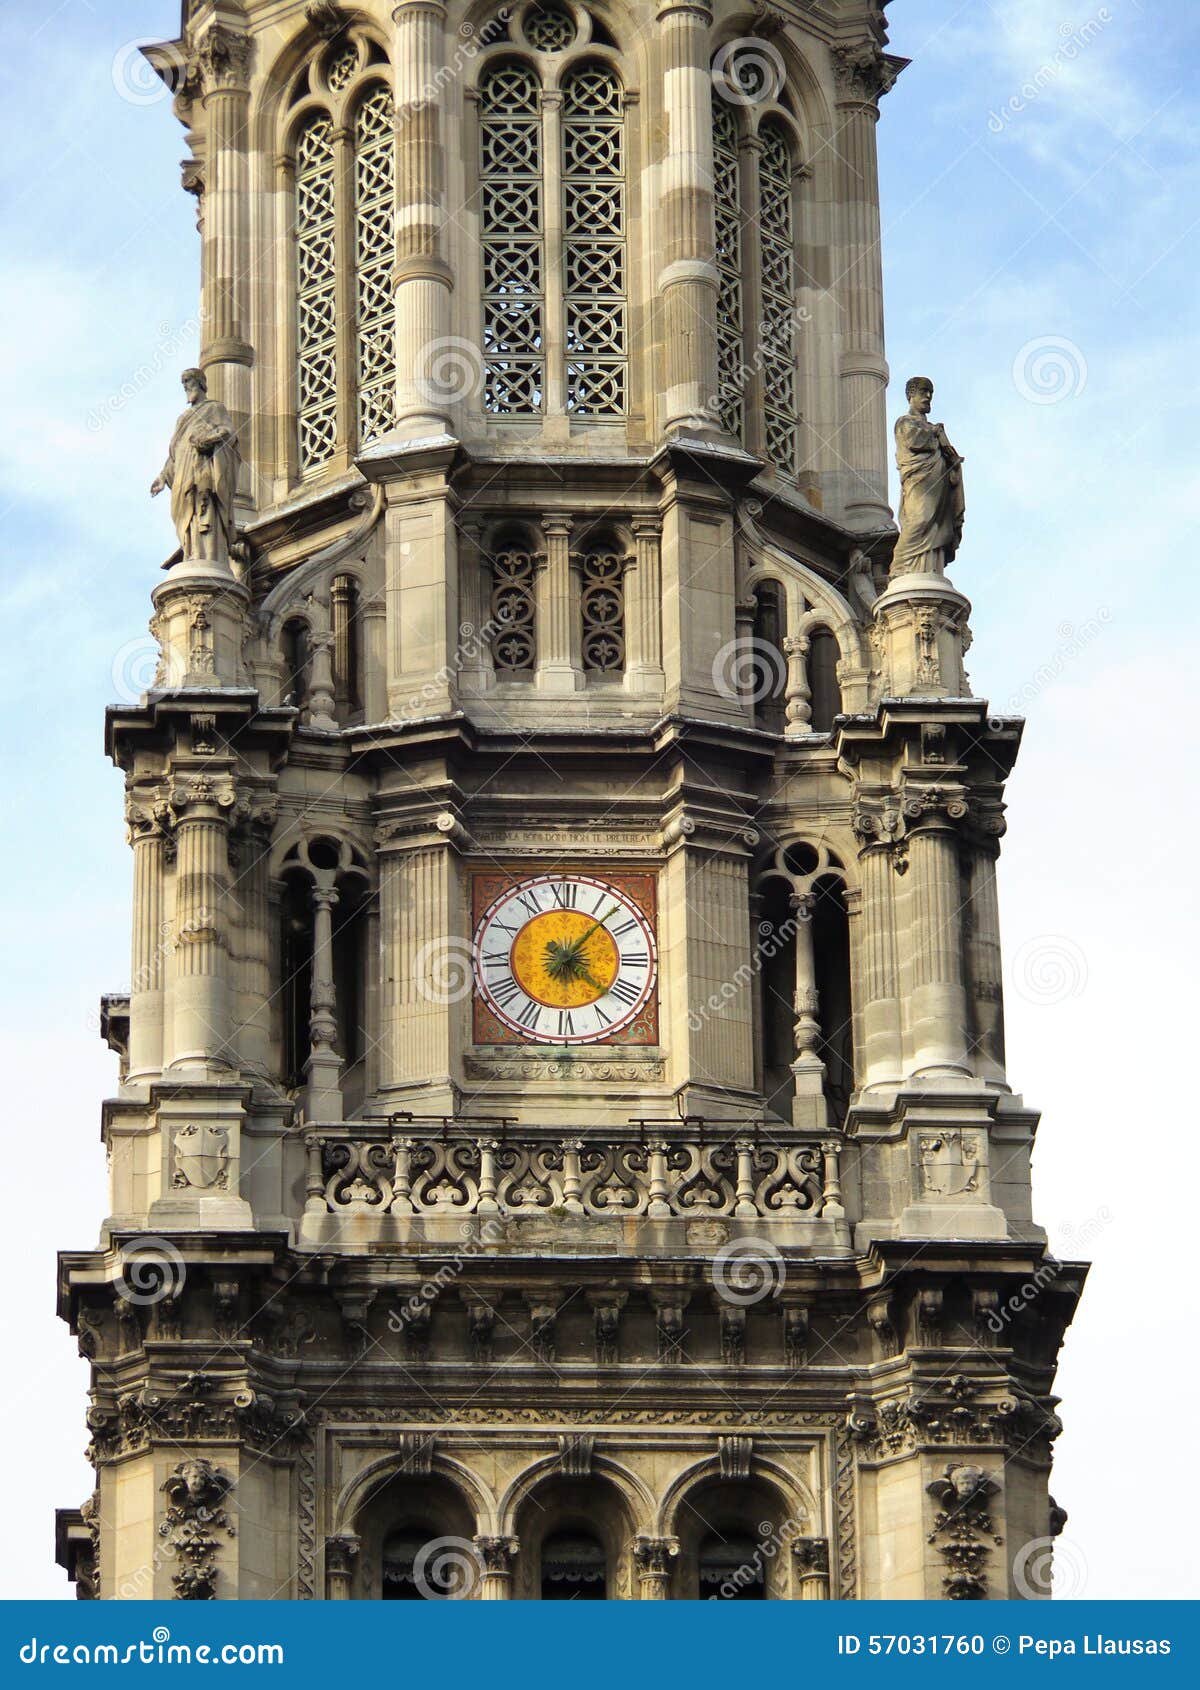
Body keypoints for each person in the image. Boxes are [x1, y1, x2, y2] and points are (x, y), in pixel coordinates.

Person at [151, 367, 240, 565]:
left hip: (202, 467)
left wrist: (208, 439)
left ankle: (207, 555)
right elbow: (175, 452)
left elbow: (228, 433)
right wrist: (162, 476)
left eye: (189, 381)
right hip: (182, 471)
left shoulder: (214, 408)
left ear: (200, 383)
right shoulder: (183, 418)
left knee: (203, 509)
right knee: (186, 514)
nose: (186, 387)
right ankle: (191, 552)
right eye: (183, 383)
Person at [892, 376, 964, 577]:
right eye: (923, 391)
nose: (928, 396)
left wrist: (953, 463)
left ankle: (931, 568)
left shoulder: (932, 427)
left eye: (930, 392)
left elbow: (948, 456)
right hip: (919, 483)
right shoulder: (905, 422)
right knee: (919, 520)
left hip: (938, 486)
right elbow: (915, 441)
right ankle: (900, 567)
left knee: (937, 526)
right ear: (911, 394)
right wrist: (935, 433)